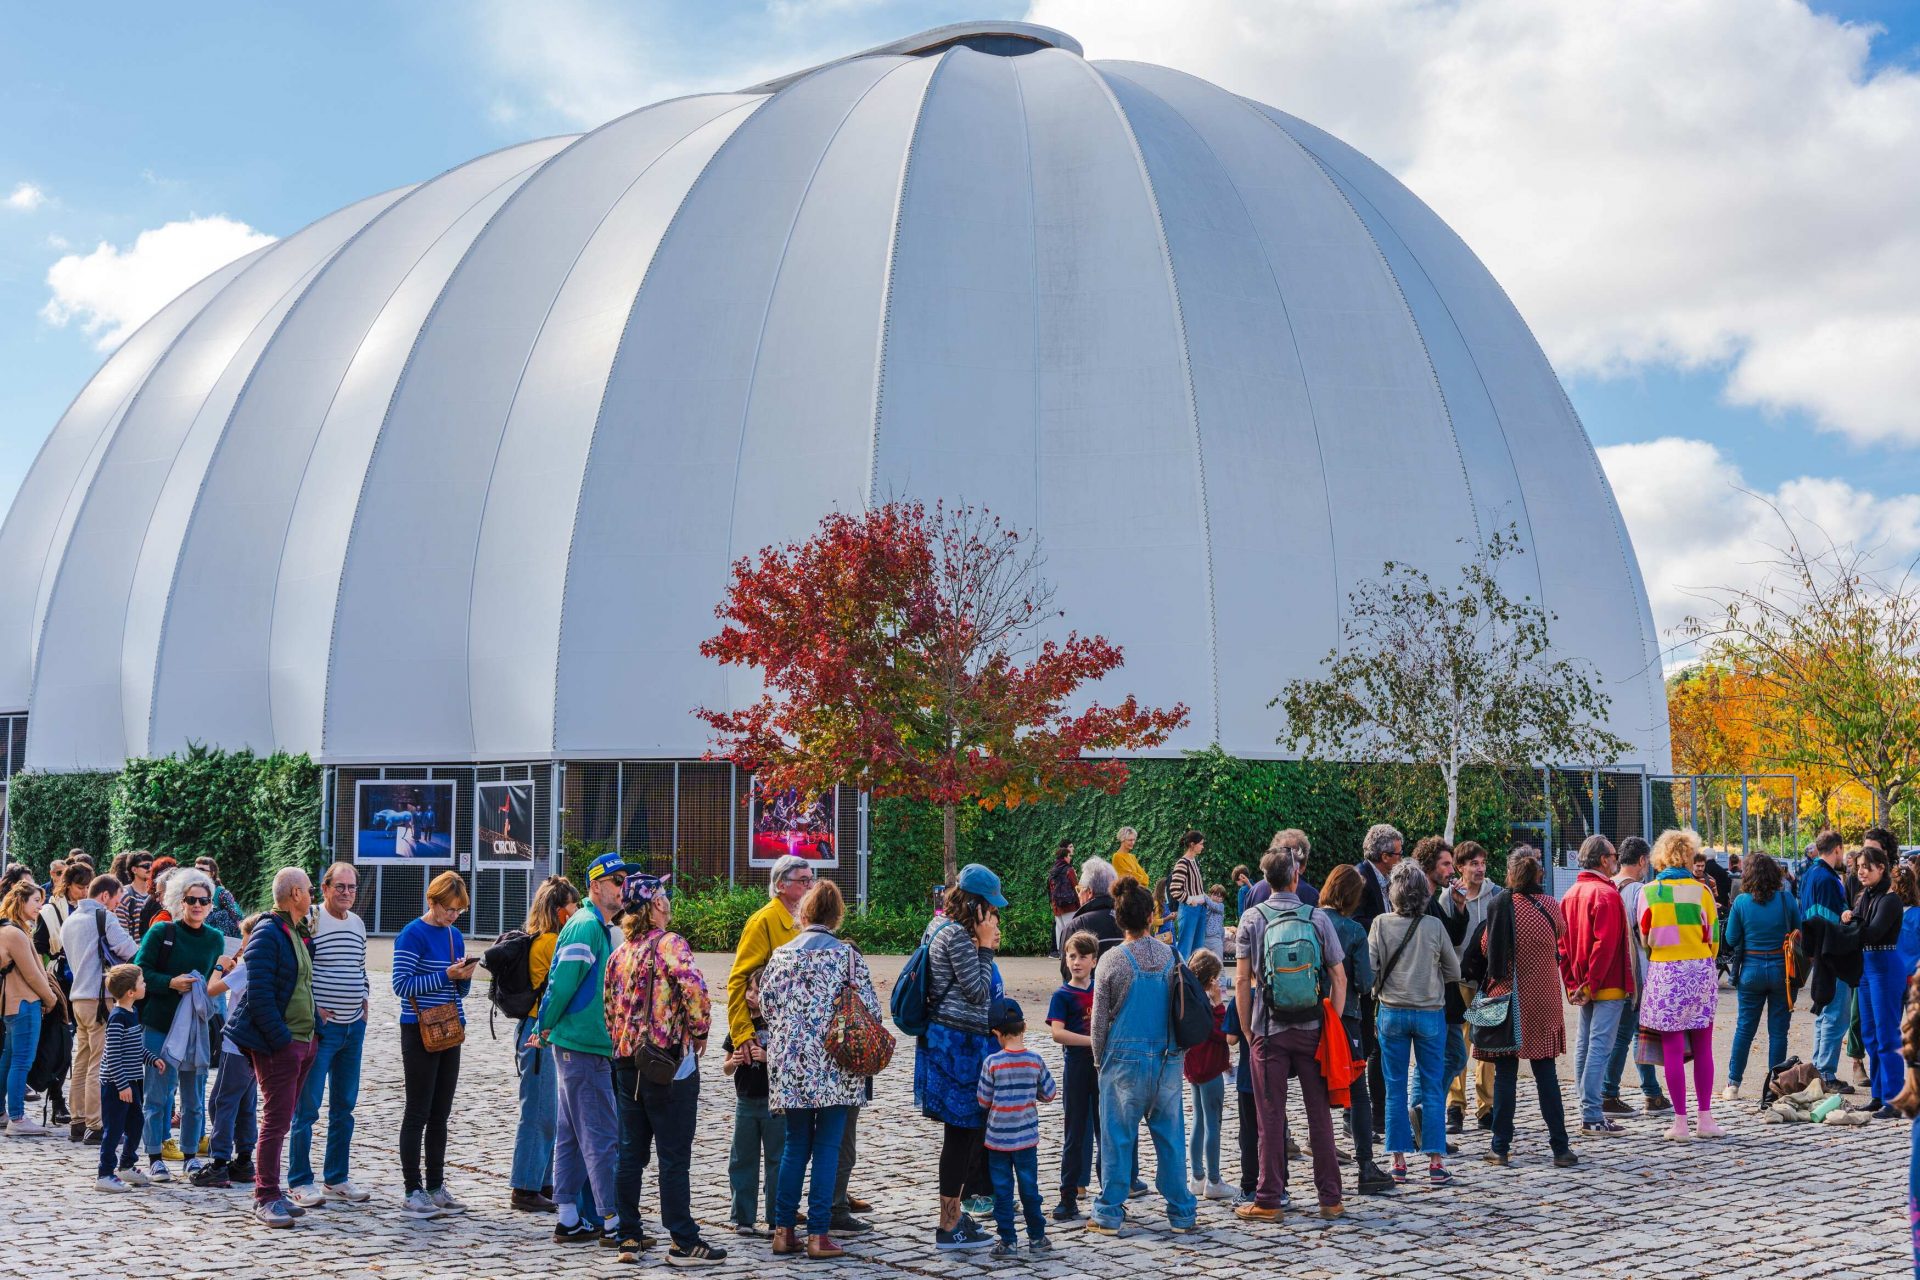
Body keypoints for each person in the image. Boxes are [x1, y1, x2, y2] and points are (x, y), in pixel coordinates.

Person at [604, 872, 726, 1266]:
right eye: (665, 896)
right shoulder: (669, 943)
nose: (669, 902)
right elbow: (694, 989)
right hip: (667, 1062)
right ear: (656, 904)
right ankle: (683, 1241)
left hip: (626, 1062)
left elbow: (608, 1008)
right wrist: (701, 1030)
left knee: (630, 1153)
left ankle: (628, 1236)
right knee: (673, 1156)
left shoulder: (619, 953)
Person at [760, 879, 878, 1261]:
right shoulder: (846, 957)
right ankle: (818, 1235)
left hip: (790, 1066)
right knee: (827, 1146)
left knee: (795, 1144)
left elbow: (766, 1006)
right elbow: (871, 1013)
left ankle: (783, 1231)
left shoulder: (780, 956)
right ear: (837, 916)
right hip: (834, 1066)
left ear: (804, 913)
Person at [1233, 853, 1346, 1223]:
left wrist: (1248, 1029)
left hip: (1269, 1029)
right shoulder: (1317, 917)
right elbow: (1339, 977)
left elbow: (1241, 980)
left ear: (1265, 880)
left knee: (1270, 1117)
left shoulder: (1252, 918)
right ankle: (1330, 1198)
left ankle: (1268, 1199)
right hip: (1312, 1028)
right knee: (1320, 1116)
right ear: (1296, 878)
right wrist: (1332, 1021)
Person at [1091, 876, 1200, 1233]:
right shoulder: (1172, 955)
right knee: (1170, 1137)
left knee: (1117, 1138)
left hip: (1123, 1061)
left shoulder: (1110, 960)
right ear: (1152, 916)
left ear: (1118, 918)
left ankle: (1109, 1211)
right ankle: (1182, 1210)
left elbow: (1098, 1023)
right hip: (1167, 1057)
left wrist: (1099, 1062)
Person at [533, 851, 629, 1245]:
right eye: (617, 881)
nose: (624, 888)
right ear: (595, 885)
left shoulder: (597, 926)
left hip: (581, 1044)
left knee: (572, 1135)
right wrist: (545, 1025)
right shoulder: (587, 925)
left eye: (625, 880)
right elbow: (561, 981)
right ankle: (613, 1222)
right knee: (601, 1135)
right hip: (583, 1046)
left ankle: (570, 1218)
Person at [916, 864, 1006, 1250]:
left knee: (963, 1135)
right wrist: (985, 948)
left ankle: (952, 1217)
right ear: (976, 904)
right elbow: (977, 992)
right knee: (960, 1135)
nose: (995, 915)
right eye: (990, 907)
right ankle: (948, 1226)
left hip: (949, 1044)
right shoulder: (955, 936)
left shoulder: (941, 927)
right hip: (958, 1050)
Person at [225, 868, 316, 1227]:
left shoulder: (296, 930)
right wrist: (281, 1040)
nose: (312, 894)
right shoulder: (267, 931)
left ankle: (274, 1192)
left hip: (303, 1041)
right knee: (275, 1122)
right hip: (282, 1043)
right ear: (295, 893)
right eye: (308, 889)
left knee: (283, 1119)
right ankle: (265, 1196)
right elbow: (258, 993)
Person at [1471, 850, 1574, 1167]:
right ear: (1538, 876)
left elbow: (1487, 948)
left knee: (1505, 1076)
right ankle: (1560, 1148)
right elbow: (1561, 934)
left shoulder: (1501, 906)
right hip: (1544, 998)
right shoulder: (1550, 906)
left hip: (1509, 1000)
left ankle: (1500, 1147)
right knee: (1546, 1074)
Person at [133, 867, 232, 1177]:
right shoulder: (162, 933)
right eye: (191, 900)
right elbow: (139, 973)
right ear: (180, 901)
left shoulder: (216, 939)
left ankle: (190, 1154)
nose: (197, 905)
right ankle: (153, 1156)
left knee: (193, 1096)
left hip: (196, 1027)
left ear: (211, 905)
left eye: (203, 900)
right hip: (160, 1022)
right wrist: (170, 983)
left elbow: (218, 978)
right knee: (157, 1094)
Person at [391, 869, 476, 1220]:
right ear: (433, 901)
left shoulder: (455, 936)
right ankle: (413, 1189)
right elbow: (401, 985)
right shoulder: (412, 934)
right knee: (418, 1111)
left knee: (441, 1113)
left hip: (451, 1029)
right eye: (448, 909)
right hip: (420, 1029)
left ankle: (437, 1185)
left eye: (458, 910)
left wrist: (464, 978)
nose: (453, 916)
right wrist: (446, 975)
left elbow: (459, 992)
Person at [287, 861, 371, 1207]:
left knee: (344, 1106)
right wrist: (315, 1011)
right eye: (340, 887)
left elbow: (359, 965)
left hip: (354, 1026)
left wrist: (364, 997)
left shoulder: (358, 923)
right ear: (324, 888)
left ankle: (336, 1177)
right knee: (306, 1107)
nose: (347, 893)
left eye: (351, 887)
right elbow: (299, 969)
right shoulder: (312, 921)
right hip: (321, 1028)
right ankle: (300, 1179)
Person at [1370, 860, 1459, 1187]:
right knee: (1433, 1086)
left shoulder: (1380, 924)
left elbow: (1370, 968)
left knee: (1394, 1087)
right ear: (1423, 894)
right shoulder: (1433, 927)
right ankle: (1436, 1163)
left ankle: (1398, 1162)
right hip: (1429, 1012)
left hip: (1391, 1012)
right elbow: (1454, 971)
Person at [1637, 829, 1722, 1140]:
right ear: (1689, 856)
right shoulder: (1702, 892)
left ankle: (1680, 1123)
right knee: (1703, 1047)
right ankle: (1706, 1119)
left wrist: (1662, 953)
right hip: (1699, 969)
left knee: (1672, 1050)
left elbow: (1644, 938)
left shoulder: (1647, 893)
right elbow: (1713, 937)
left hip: (1665, 971)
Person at [1319, 864, 1390, 1195]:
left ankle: (1323, 1165)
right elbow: (1363, 981)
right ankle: (1365, 1165)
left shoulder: (1310, 921)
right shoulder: (1353, 931)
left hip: (1309, 1013)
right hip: (1345, 1017)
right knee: (1357, 1091)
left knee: (1313, 1089)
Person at [510, 876, 579, 1213]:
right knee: (538, 1112)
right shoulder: (551, 943)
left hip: (540, 1031)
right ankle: (524, 1187)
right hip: (540, 1032)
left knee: (548, 1111)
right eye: (572, 906)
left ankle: (540, 1181)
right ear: (558, 911)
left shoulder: (547, 938)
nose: (576, 911)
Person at [1558, 834, 1632, 1138]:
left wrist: (1575, 984)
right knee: (1599, 1047)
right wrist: (1591, 983)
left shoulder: (1570, 893)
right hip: (1607, 982)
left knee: (1585, 1045)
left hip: (1583, 984)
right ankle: (1591, 1113)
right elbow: (1606, 945)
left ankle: (1587, 1109)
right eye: (1613, 855)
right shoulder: (1606, 894)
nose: (1616, 860)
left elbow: (1562, 946)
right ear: (1604, 859)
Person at [977, 995, 1057, 1259]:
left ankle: (1008, 1241)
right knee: (1029, 1189)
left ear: (997, 1033)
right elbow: (1049, 1093)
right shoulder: (1035, 1061)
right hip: (1025, 1140)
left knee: (1002, 1192)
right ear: (1024, 1027)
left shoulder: (992, 1063)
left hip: (997, 1141)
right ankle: (1037, 1237)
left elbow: (983, 1100)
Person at [62, 872, 137, 1143]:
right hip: (100, 997)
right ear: (105, 895)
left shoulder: (70, 920)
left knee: (81, 1060)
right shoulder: (104, 917)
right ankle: (96, 1123)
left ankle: (78, 1120)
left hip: (78, 997)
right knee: (99, 1060)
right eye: (117, 899)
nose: (117, 905)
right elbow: (128, 949)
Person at [1723, 851, 1799, 1102]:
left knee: (1745, 1028)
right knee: (1778, 1032)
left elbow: (1731, 939)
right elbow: (1799, 933)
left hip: (1751, 971)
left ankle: (1733, 1084)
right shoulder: (1787, 900)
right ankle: (1773, 1087)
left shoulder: (1742, 902)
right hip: (1782, 971)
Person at [1602, 835, 1670, 1115]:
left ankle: (1652, 1092)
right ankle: (1609, 1091)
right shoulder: (1640, 891)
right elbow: (1649, 935)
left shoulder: (1607, 886)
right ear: (1642, 861)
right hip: (1637, 972)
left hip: (1612, 971)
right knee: (1627, 1035)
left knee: (1636, 1034)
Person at [195, 913, 263, 1190]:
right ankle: (244, 1159)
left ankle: (219, 1162)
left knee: (221, 1102)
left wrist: (221, 966)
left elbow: (212, 990)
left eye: (244, 938)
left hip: (236, 1044)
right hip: (257, 1046)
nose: (242, 944)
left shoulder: (247, 967)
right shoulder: (265, 965)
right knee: (246, 1103)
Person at [726, 855, 809, 1070]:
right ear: (782, 885)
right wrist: (743, 1033)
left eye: (811, 879)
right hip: (770, 1033)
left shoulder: (807, 920)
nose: (810, 885)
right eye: (803, 880)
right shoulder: (762, 921)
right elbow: (738, 980)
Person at [1412, 836, 1467, 1148]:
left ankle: (1423, 1115)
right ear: (1429, 865)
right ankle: (1423, 1115)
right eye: (1445, 863)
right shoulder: (1419, 899)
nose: (1451, 869)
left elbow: (1452, 938)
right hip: (1430, 993)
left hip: (1443, 993)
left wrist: (1459, 906)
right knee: (1438, 1058)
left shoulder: (1435, 899)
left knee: (1450, 1057)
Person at [1800, 828, 1861, 1094]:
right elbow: (1828, 919)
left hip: (1818, 952)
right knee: (1836, 1015)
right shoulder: (1828, 879)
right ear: (1837, 849)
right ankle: (1825, 1072)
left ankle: (1818, 1068)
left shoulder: (1809, 875)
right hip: (1833, 953)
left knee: (1824, 1012)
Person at [722, 969, 782, 1236]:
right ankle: (743, 1217)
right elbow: (725, 1067)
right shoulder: (739, 1023)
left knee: (776, 1160)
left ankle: (776, 1218)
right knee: (742, 1159)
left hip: (774, 1102)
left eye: (758, 992)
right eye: (750, 990)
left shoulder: (777, 1023)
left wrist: (768, 1057)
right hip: (745, 1101)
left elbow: (790, 1061)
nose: (752, 996)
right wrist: (733, 1062)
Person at [1047, 930, 1099, 1221]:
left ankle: (1109, 1193)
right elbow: (1057, 1032)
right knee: (1074, 1132)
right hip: (1077, 1065)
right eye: (1072, 956)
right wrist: (1092, 1041)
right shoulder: (1063, 995)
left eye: (1082, 957)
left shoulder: (1100, 989)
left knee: (1105, 1131)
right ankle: (1068, 1195)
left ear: (1094, 960)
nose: (1076, 962)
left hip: (1102, 1067)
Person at [1851, 843, 1905, 1117]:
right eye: (1859, 867)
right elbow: (1860, 929)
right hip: (1866, 968)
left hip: (1884, 966)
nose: (1861, 872)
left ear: (1881, 868)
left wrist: (1851, 923)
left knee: (1887, 1035)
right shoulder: (1864, 897)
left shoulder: (1890, 899)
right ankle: (1878, 1094)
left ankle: (1895, 1099)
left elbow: (1873, 932)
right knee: (1870, 1035)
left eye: (1866, 867)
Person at [1, 881, 60, 1135]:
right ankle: (17, 1117)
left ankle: (4, 1113)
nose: (40, 906)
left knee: (8, 1058)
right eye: (36, 900)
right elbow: (34, 975)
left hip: (12, 1004)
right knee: (21, 1061)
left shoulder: (8, 929)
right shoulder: (14, 933)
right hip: (24, 1002)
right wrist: (51, 999)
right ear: (21, 901)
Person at [94, 963, 151, 1190]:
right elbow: (113, 1054)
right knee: (114, 1129)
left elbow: (135, 1048)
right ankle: (105, 1174)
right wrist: (122, 1084)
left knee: (136, 1123)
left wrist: (151, 1059)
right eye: (142, 982)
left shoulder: (132, 1012)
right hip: (117, 1084)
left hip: (132, 1081)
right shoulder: (118, 1018)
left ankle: (127, 1165)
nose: (145, 985)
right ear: (131, 992)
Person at [1183, 948, 1232, 1200]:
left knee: (1198, 1122)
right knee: (1213, 1123)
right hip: (1210, 1067)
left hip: (1192, 1067)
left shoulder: (1189, 998)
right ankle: (1214, 1179)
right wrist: (1220, 1004)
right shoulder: (1208, 1004)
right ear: (1212, 979)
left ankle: (1197, 1177)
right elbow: (1223, 1033)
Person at [1059, 857, 1123, 979]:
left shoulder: (1076, 926)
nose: (1078, 894)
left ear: (1090, 892)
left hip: (1088, 996)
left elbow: (1068, 973)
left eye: (1079, 889)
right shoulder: (1131, 922)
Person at [1354, 824, 1403, 931]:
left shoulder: (1388, 877)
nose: (1401, 858)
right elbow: (1355, 922)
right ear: (1385, 857)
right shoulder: (1359, 879)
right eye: (1399, 854)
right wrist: (1390, 924)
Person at [1169, 830, 1208, 960]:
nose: (1202, 846)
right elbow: (1174, 889)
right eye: (1201, 844)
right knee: (1185, 949)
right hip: (1189, 909)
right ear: (1192, 844)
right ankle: (1181, 979)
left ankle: (1195, 979)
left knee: (1198, 950)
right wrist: (1191, 900)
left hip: (1200, 909)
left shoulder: (1194, 862)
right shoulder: (1182, 863)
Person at [195, 857, 245, 939]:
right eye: (196, 869)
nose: (197, 872)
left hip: (221, 942)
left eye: (201, 869)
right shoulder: (190, 892)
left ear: (212, 873)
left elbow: (238, 917)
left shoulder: (221, 893)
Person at [1047, 842, 1079, 958]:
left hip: (1057, 905)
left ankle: (1061, 953)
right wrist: (1079, 902)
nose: (1070, 858)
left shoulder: (1053, 870)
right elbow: (1076, 886)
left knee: (1059, 928)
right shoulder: (1069, 870)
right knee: (1070, 928)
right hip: (1069, 904)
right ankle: (1070, 953)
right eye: (1069, 856)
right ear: (1065, 857)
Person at [116, 852, 154, 940]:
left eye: (152, 865)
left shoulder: (156, 895)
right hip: (135, 951)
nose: (150, 869)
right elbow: (122, 933)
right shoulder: (125, 896)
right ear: (134, 870)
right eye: (146, 866)